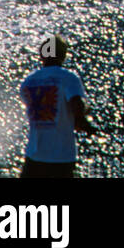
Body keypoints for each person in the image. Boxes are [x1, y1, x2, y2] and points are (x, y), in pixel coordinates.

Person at [19, 36, 94, 179]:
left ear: (42, 55)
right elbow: (77, 106)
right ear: (63, 55)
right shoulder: (68, 78)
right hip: (61, 157)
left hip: (34, 155)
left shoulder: (28, 81)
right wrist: (85, 116)